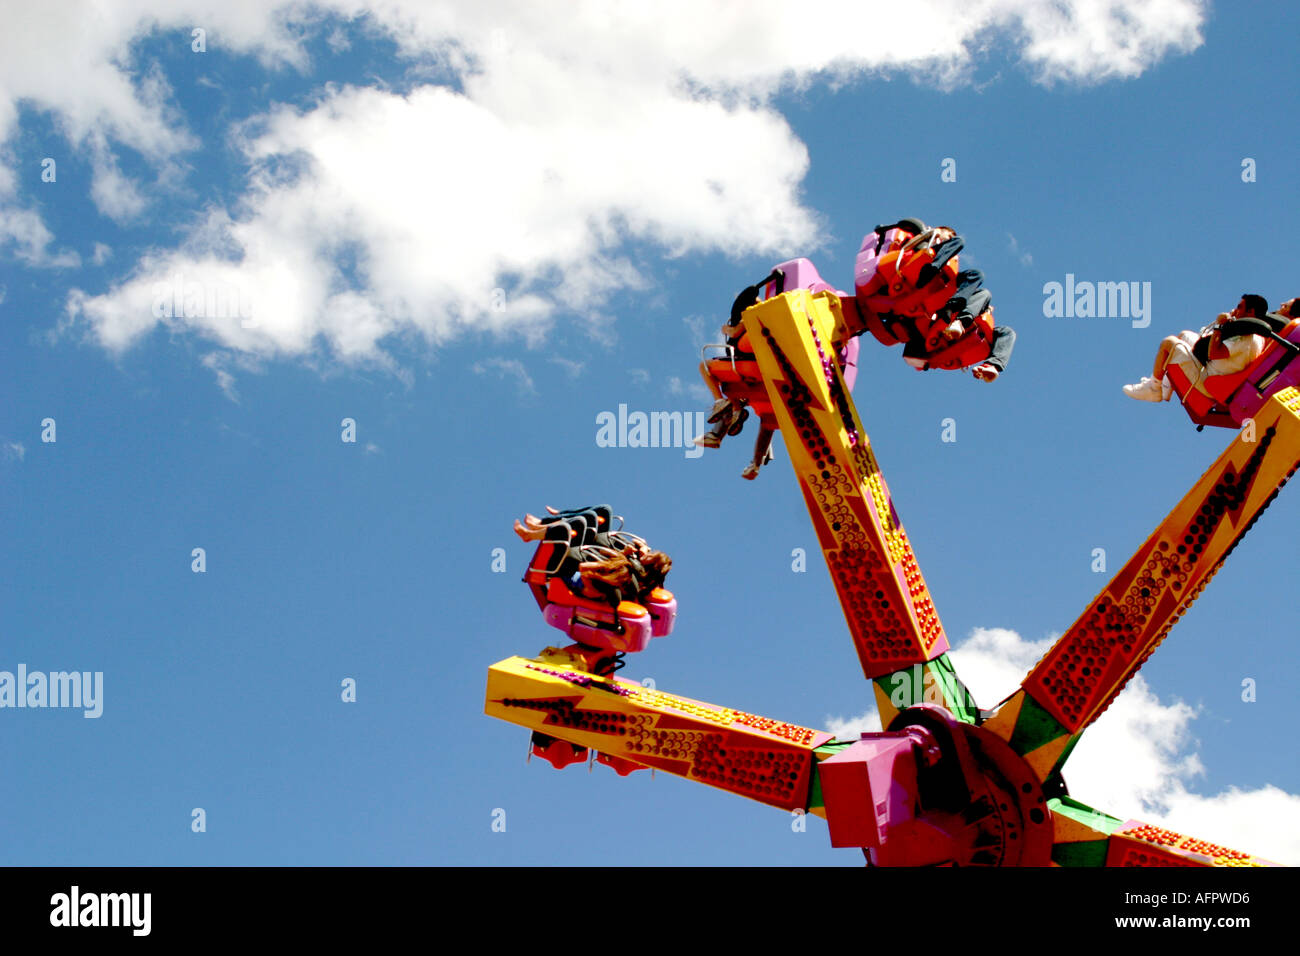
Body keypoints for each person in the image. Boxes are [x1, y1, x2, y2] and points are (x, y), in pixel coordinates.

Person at [1124, 294, 1270, 402]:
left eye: (1239, 307)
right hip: (1217, 372)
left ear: (1250, 313)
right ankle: (1165, 389)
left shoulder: (1245, 339)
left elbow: (1213, 353)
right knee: (1184, 335)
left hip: (1209, 381)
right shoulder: (1257, 336)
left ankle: (1154, 389)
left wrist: (1219, 326)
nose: (1235, 310)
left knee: (1168, 343)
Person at [514, 507, 671, 604]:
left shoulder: (627, 573)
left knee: (569, 528)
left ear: (649, 566)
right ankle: (543, 523)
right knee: (601, 512)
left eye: (648, 557)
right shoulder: (636, 566)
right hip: (589, 553)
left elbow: (587, 568)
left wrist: (623, 555)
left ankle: (530, 535)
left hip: (567, 569)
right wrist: (637, 550)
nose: (646, 554)